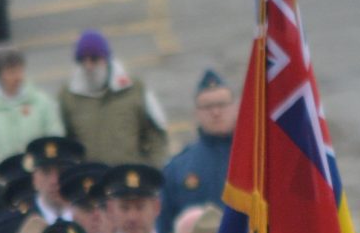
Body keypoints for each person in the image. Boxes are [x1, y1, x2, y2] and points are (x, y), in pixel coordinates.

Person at [59, 30, 166, 168]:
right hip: (90, 182)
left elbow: (156, 132)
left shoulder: (134, 89)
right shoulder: (68, 97)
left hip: (130, 181)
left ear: (106, 59)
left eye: (94, 59)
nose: (88, 66)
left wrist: (152, 169)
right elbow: (64, 142)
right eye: (82, 60)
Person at [0, 42, 61, 163]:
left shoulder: (41, 102)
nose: (18, 77)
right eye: (11, 72)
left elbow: (55, 136)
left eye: (20, 70)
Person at [158, 69, 234, 216]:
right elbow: (165, 223)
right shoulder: (178, 168)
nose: (216, 112)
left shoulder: (255, 159)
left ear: (235, 108)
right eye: (208, 107)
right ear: (196, 113)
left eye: (222, 105)